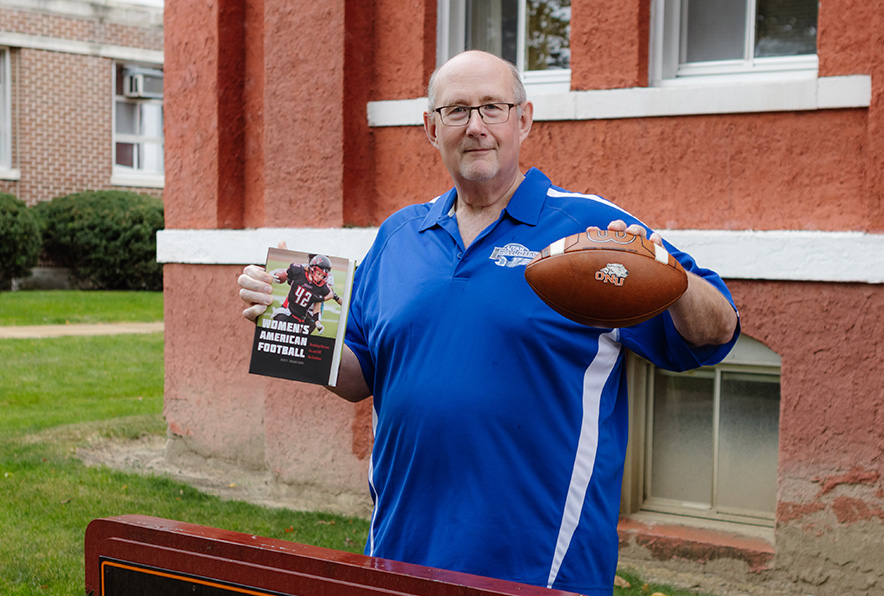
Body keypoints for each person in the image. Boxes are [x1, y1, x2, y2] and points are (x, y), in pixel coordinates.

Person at [239, 50, 739, 595]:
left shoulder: (588, 229)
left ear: (523, 119)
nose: (476, 127)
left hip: (541, 569)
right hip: (400, 555)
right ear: (431, 129)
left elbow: (715, 332)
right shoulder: (398, 236)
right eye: (456, 111)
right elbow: (362, 376)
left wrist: (665, 273)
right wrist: (290, 319)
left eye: (492, 108)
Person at [269, 254, 334, 335]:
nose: (319, 277)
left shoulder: (321, 286)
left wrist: (318, 323)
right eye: (318, 273)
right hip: (287, 310)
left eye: (323, 275)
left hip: (301, 318)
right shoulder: (299, 271)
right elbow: (285, 272)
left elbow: (318, 307)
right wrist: (275, 275)